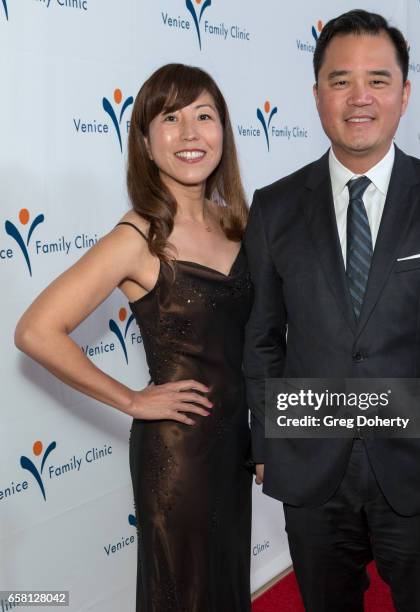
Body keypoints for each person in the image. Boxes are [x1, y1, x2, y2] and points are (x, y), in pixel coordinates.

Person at [244, 10, 420, 612]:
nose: (360, 97)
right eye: (340, 80)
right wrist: (265, 440)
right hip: (311, 467)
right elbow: (261, 339)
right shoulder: (275, 207)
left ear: (405, 94)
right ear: (316, 95)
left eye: (378, 80)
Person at [15, 63, 253, 611]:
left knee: (224, 589)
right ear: (145, 142)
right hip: (180, 454)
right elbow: (35, 330)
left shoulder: (237, 222)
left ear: (224, 132)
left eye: (204, 115)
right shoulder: (138, 236)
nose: (191, 133)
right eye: (170, 118)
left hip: (235, 449)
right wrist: (130, 399)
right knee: (183, 594)